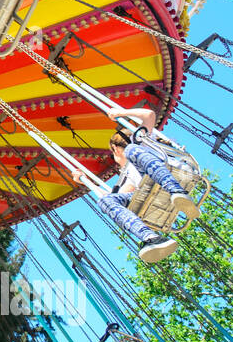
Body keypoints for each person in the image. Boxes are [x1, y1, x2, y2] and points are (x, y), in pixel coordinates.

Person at [74, 106, 195, 264]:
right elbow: (113, 198)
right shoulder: (130, 173)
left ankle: (175, 190)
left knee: (131, 150)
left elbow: (149, 114)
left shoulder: (140, 143)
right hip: (153, 189)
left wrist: (121, 113)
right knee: (105, 201)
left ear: (115, 149)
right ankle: (150, 237)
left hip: (172, 173)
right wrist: (87, 182)